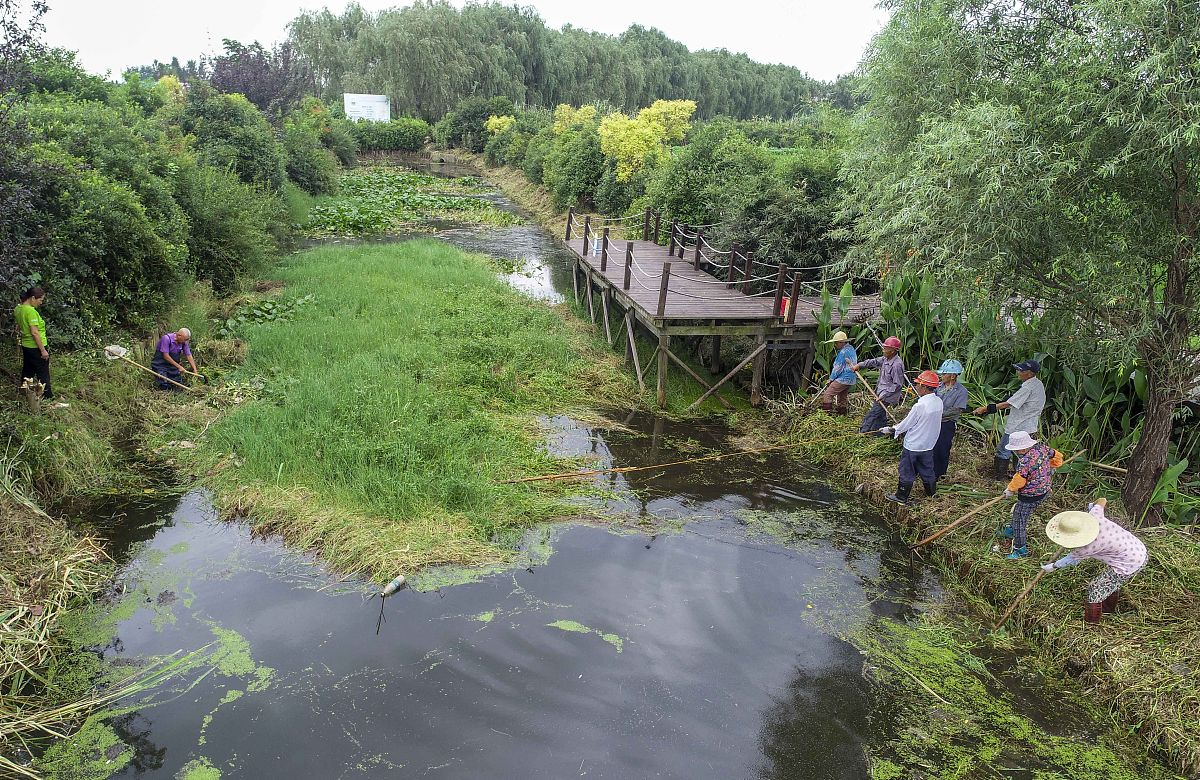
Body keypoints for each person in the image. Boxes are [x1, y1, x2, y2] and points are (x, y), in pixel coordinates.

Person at [1041, 498, 1148, 624]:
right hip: (1137, 548)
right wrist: (1092, 506)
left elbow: (1071, 560)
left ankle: (1091, 623)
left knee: (1095, 588)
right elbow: (1102, 500)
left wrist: (1053, 566)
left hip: (1129, 563)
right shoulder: (1094, 516)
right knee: (1111, 583)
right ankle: (1108, 609)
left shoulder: (1087, 547)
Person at [973, 359, 1046, 479]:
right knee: (1021, 452)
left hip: (1019, 425)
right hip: (1028, 425)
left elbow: (1008, 404)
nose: (1018, 372)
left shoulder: (1028, 388)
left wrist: (985, 409)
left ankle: (999, 478)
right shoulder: (1037, 384)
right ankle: (1020, 477)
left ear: (1029, 373)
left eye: (1020, 370)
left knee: (1004, 449)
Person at [996, 431, 1064, 559]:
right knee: (1018, 512)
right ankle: (1011, 530)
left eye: (1018, 449)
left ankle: (1020, 549)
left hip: (1030, 496)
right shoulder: (1042, 449)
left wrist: (1010, 490)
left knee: (1020, 519)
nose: (1017, 452)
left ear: (1022, 448)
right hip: (1044, 490)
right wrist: (1054, 465)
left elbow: (1019, 480)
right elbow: (1057, 455)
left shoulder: (1025, 462)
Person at [878, 370, 943, 505]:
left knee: (907, 470)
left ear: (925, 387)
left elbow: (907, 424)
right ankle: (931, 494)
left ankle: (901, 496)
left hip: (913, 445)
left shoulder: (920, 406)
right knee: (927, 469)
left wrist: (892, 429)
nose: (917, 387)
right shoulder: (938, 402)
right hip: (928, 445)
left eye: (918, 384)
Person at [851, 336, 905, 434]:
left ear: (892, 351)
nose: (883, 350)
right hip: (880, 392)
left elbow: (897, 384)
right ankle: (879, 432)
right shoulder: (885, 359)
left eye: (885, 348)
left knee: (873, 413)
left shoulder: (897, 365)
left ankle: (862, 432)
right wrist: (860, 365)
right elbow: (874, 362)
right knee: (880, 414)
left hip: (888, 395)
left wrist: (884, 395)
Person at [14, 286, 53, 401]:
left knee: (28, 370)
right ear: (32, 298)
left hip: (26, 345)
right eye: (40, 300)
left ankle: (24, 392)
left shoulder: (18, 309)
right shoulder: (31, 312)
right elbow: (35, 333)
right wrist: (43, 350)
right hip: (36, 346)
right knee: (43, 372)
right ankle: (48, 397)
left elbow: (18, 326)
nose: (41, 303)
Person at [932, 359, 968, 478]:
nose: (942, 376)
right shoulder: (938, 387)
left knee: (942, 449)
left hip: (946, 424)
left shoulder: (961, 391)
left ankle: (939, 474)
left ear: (953, 376)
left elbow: (956, 410)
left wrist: (937, 414)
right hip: (933, 422)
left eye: (944, 374)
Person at [819, 330, 857, 416]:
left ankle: (826, 416)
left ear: (841, 342)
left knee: (828, 394)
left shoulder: (843, 352)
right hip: (851, 378)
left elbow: (837, 367)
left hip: (843, 378)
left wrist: (831, 379)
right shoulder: (851, 349)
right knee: (842, 396)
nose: (835, 345)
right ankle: (842, 415)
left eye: (836, 343)